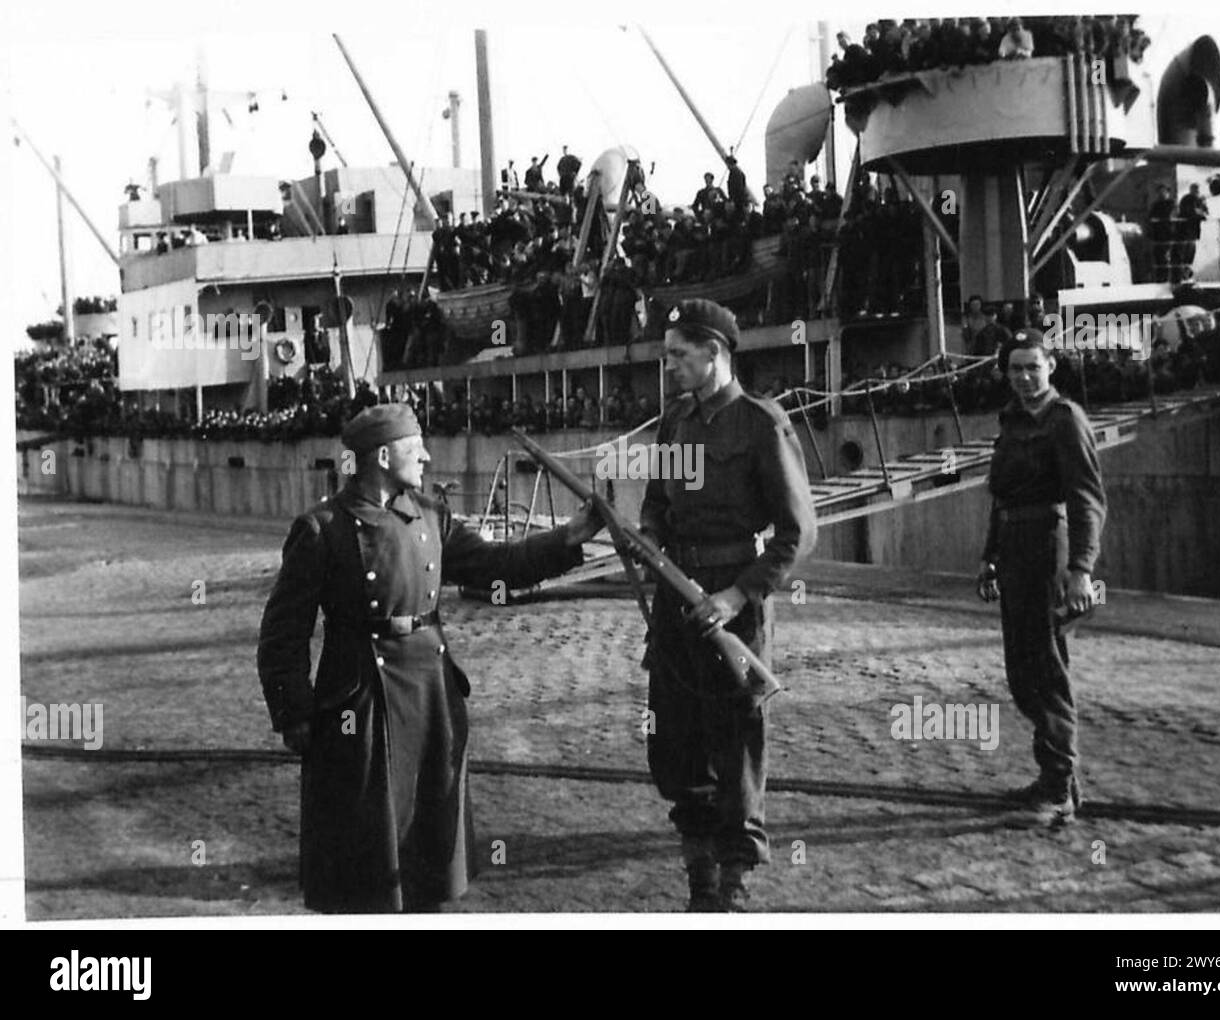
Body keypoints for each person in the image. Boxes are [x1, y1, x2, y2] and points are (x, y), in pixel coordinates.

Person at [257, 403, 601, 912]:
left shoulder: (431, 516)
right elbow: (283, 634)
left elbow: (495, 565)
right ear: (381, 456)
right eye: (415, 446)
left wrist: (568, 537)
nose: (426, 456)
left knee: (430, 832)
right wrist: (296, 713)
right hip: (362, 700)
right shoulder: (322, 529)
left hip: (431, 692)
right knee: (367, 838)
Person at [639, 299, 818, 911]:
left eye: (680, 356)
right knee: (677, 740)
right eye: (668, 357)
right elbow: (656, 503)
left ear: (715, 353)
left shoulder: (760, 423)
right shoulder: (675, 421)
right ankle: (700, 879)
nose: (671, 368)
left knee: (735, 742)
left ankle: (735, 885)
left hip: (731, 603)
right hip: (676, 600)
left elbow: (800, 531)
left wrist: (738, 593)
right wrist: (649, 539)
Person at [977, 329, 1106, 828]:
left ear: (1051, 367)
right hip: (1013, 549)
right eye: (1016, 369)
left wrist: (1081, 570)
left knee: (1046, 671)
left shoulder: (1065, 420)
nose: (1025, 378)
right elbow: (1001, 496)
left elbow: (1086, 499)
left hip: (1048, 549)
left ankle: (1057, 790)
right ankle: (1057, 777)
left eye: (1034, 367)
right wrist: (989, 559)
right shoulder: (1010, 421)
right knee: (1023, 671)